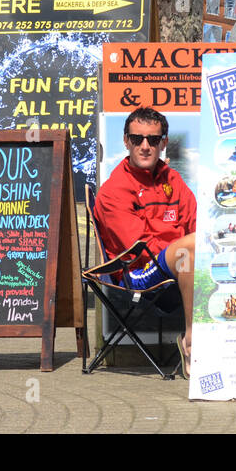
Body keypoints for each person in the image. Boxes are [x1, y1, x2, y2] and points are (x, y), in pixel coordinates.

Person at [95, 107, 198, 370]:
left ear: (163, 142)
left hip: (175, 261)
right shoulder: (114, 190)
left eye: (153, 140)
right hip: (136, 273)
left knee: (209, 244)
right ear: (126, 141)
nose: (145, 146)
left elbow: (195, 222)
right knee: (187, 249)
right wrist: (179, 245)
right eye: (137, 138)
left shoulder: (171, 178)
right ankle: (192, 341)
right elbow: (139, 249)